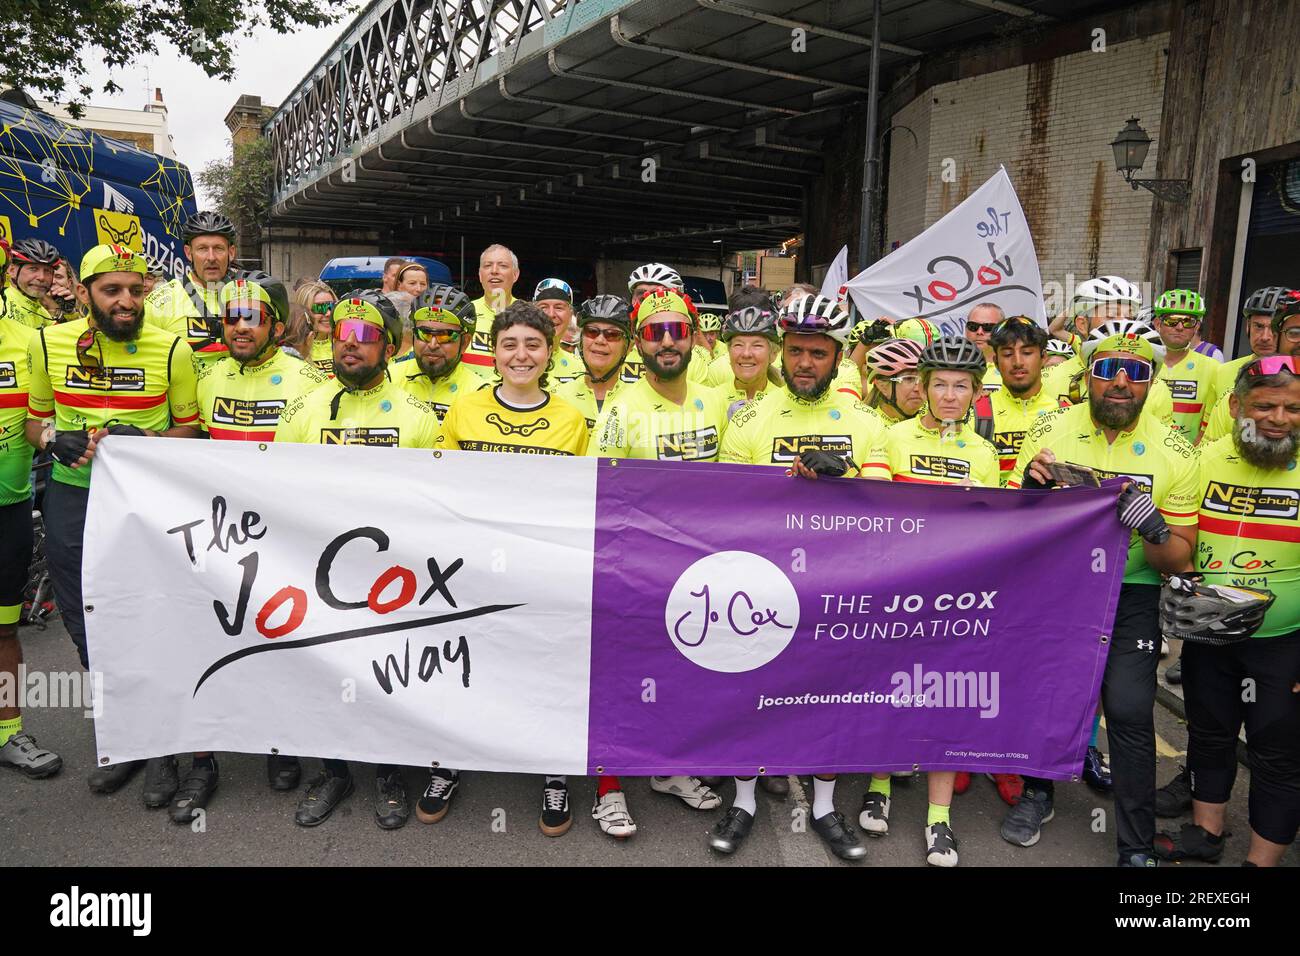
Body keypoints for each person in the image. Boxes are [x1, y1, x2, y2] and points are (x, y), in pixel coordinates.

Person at [1003, 319, 1200, 866]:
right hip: (1062, 586)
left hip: (1132, 589)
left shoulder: (1176, 451)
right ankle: (1038, 794)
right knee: (1049, 693)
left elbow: (1180, 557)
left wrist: (1157, 530)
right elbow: (1017, 529)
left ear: (1151, 382)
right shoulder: (1050, 429)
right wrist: (1030, 492)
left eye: (1135, 373)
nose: (1120, 382)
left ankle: (1135, 845)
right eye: (1109, 369)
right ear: (1089, 374)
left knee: (1132, 710)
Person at [25, 244, 201, 806]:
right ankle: (126, 738)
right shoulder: (47, 342)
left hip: (143, 507)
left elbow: (190, 434)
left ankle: (166, 749)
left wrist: (147, 442)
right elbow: (35, 424)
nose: (126, 301)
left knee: (152, 618)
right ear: (83, 293)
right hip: (75, 502)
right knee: (86, 622)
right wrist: (56, 440)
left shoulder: (172, 347)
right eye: (111, 290)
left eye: (135, 289)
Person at [713, 294, 884, 862]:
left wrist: (851, 477)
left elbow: (890, 509)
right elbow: (727, 508)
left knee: (832, 701)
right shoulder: (749, 418)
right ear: (781, 352)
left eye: (818, 352)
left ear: (839, 359)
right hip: (763, 583)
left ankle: (825, 806)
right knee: (748, 693)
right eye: (796, 351)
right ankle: (743, 800)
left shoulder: (865, 421)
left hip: (839, 586)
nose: (806, 362)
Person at [275, 290, 438, 829]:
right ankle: (334, 771)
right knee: (321, 670)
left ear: (390, 349)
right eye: (343, 333)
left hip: (389, 574)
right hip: (314, 568)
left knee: (382, 674)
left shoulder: (418, 418)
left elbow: (435, 504)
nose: (351, 344)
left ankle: (389, 774)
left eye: (366, 336)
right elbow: (272, 488)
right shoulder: (303, 409)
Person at [179, 272, 330, 821]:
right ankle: (204, 758)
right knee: (208, 642)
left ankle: (280, 741)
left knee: (277, 642)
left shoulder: (308, 377)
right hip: (218, 534)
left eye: (253, 317)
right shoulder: (208, 375)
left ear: (274, 323)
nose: (240, 327)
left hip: (282, 539)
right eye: (232, 317)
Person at [434, 301, 588, 835]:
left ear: (550, 352)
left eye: (532, 345)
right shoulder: (463, 411)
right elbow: (441, 490)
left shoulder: (572, 419)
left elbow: (580, 502)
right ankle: (447, 761)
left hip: (542, 570)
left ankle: (552, 769)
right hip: (472, 566)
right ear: (493, 352)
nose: (520, 355)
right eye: (509, 344)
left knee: (545, 668)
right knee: (464, 664)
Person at [1152, 350, 1300, 866]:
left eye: (1292, 408)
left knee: (1277, 755)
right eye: (1264, 406)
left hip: (1285, 644)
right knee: (1209, 735)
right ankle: (1205, 834)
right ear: (1236, 405)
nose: (1279, 419)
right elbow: (1177, 541)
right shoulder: (1204, 459)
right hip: (1210, 633)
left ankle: (1261, 861)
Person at [591, 288, 730, 821]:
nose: (666, 341)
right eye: (653, 332)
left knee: (680, 674)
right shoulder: (620, 408)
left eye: (676, 330)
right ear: (638, 343)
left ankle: (670, 768)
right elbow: (599, 492)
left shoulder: (715, 399)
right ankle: (609, 788)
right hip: (635, 568)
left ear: (695, 337)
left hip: (699, 567)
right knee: (620, 677)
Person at [864, 336, 998, 866]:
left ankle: (939, 820)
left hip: (955, 600)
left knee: (948, 699)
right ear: (920, 387)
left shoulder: (985, 456)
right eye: (938, 384)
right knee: (888, 692)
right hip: (897, 590)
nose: (947, 395)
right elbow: (873, 509)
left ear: (974, 394)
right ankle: (880, 783)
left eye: (959, 386)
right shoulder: (890, 437)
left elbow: (996, 533)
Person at [0, 241, 61, 779]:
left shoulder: (31, 338)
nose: (40, 277)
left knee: (3, 629)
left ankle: (9, 734)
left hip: (11, 500)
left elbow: (41, 415)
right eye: (31, 268)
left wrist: (55, 439)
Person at [1042, 276, 1176, 424]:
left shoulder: (1152, 385)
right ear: (1082, 324)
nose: (1122, 323)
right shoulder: (1046, 380)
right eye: (1111, 315)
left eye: (1129, 317)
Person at [144, 210, 239, 370]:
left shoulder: (248, 296)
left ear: (231, 252)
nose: (211, 257)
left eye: (218, 248)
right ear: (189, 253)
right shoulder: (161, 300)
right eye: (202, 249)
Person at [1198, 286, 1288, 443]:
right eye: (1258, 326)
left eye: (1274, 328)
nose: (1265, 337)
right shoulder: (1223, 372)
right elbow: (1205, 434)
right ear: (1247, 327)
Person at [986, 317, 1059, 487]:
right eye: (1007, 354)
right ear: (996, 362)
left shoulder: (1064, 412)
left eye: (1027, 353)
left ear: (1044, 358)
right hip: (993, 512)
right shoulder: (975, 413)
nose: (1018, 362)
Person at [398, 284, 483, 421]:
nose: (432, 345)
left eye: (445, 336)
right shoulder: (389, 378)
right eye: (424, 333)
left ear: (465, 342)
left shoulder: (480, 392)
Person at [555, 295, 632, 432]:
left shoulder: (638, 400)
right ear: (581, 341)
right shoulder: (558, 397)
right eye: (592, 332)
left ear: (626, 347)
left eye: (612, 334)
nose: (600, 340)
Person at [1151, 289, 1220, 442]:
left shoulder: (1213, 369)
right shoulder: (1143, 364)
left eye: (1188, 321)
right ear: (1157, 324)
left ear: (1196, 328)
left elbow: (1211, 424)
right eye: (1172, 320)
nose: (1180, 327)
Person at [461, 244, 519, 376]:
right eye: (487, 266)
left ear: (515, 275)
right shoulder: (463, 312)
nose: (494, 271)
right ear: (480, 275)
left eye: (503, 266)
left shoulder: (530, 315)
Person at [529, 278, 583, 387]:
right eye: (544, 307)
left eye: (559, 307)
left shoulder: (580, 368)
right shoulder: (517, 359)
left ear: (570, 314)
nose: (551, 314)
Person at [863, 337, 925, 423]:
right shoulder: (866, 425)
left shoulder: (936, 418)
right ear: (883, 386)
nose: (918, 388)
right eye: (909, 378)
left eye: (924, 379)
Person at [5, 238, 61, 329]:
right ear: (12, 270)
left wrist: (69, 314)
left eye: (47, 271)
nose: (41, 277)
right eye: (33, 269)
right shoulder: (2, 307)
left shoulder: (40, 310)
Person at [293, 280, 337, 375]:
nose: (328, 313)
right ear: (303, 311)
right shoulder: (292, 348)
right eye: (320, 308)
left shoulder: (344, 342)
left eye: (331, 306)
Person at [964, 302, 1005, 393]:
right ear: (966, 329)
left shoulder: (1014, 367)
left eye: (988, 327)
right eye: (973, 326)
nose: (979, 332)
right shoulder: (950, 364)